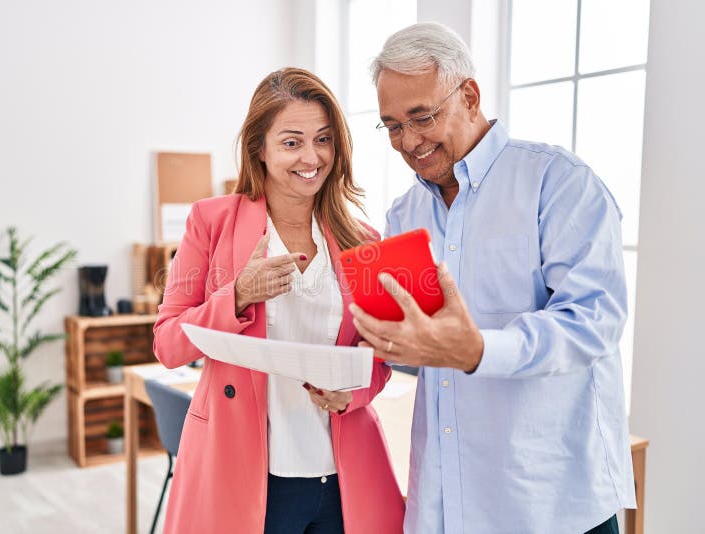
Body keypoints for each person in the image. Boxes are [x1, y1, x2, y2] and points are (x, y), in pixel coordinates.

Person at [349, 22, 635, 534]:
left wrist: (480, 350)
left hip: (550, 503)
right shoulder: (403, 215)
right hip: (446, 500)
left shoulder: (558, 183)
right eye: (392, 125)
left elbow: (596, 322)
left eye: (422, 117)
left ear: (470, 96)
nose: (409, 141)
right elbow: (404, 342)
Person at [153, 67, 405, 534]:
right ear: (260, 149)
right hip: (249, 476)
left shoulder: (365, 240)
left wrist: (353, 393)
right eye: (292, 142)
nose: (311, 156)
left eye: (324, 139)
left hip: (343, 476)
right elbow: (168, 344)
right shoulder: (211, 222)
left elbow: (383, 358)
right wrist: (238, 295)